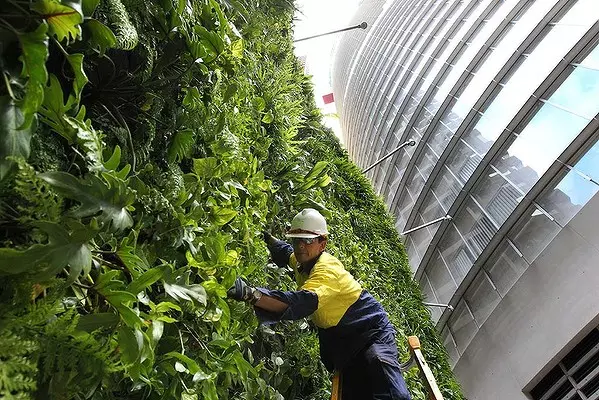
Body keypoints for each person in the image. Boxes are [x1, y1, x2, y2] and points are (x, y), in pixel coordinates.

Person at [227, 208, 411, 400]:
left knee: (387, 383)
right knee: (354, 391)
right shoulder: (303, 260)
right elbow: (287, 253)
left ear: (322, 243)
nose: (300, 247)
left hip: (370, 330)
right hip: (343, 338)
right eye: (296, 239)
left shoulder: (326, 270)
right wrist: (268, 239)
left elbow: (302, 303)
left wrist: (251, 294)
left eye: (308, 241)